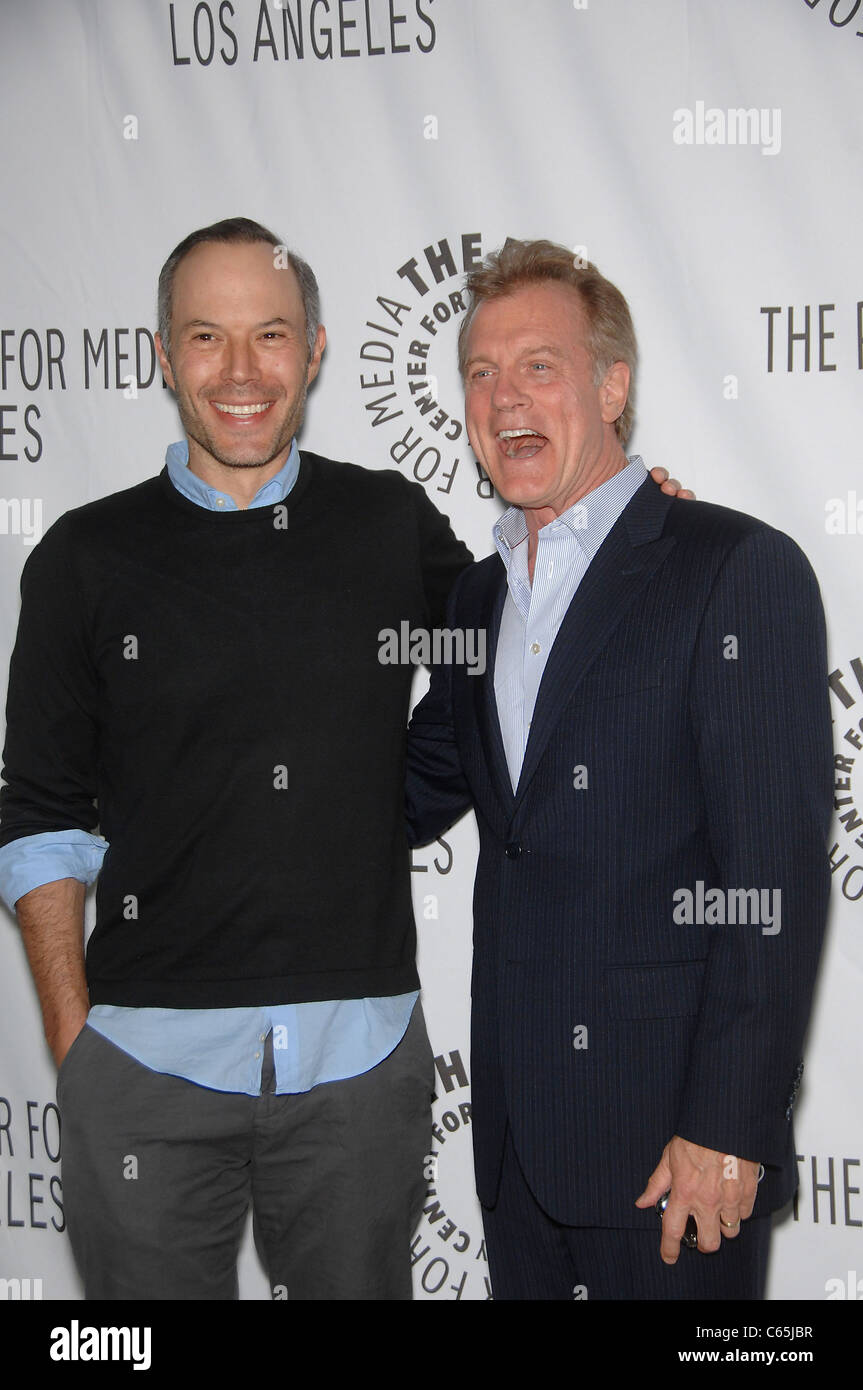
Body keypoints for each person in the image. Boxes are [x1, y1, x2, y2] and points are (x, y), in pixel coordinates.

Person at [0, 217, 475, 1301]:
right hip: (143, 1074)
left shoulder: (386, 522)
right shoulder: (84, 554)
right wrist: (79, 1047)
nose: (241, 372)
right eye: (206, 338)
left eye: (270, 335)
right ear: (163, 356)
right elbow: (37, 812)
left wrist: (619, 527)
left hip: (357, 1063)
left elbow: (504, 651)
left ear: (313, 349)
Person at [405, 238, 833, 1301]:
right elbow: (404, 794)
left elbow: (766, 882)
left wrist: (725, 1124)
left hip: (672, 1153)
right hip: (513, 1154)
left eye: (537, 365)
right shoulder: (472, 600)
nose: (504, 396)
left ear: (611, 386)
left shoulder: (732, 569)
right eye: (479, 372)